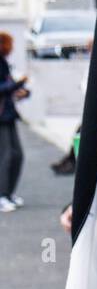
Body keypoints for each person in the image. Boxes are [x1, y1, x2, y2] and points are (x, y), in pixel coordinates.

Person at [0, 31, 31, 213]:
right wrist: (19, 84)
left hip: (8, 114)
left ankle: (8, 193)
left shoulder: (4, 63)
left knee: (16, 155)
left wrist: (23, 89)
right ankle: (2, 195)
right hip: (2, 116)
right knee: (7, 156)